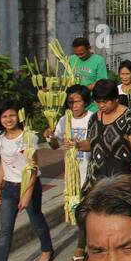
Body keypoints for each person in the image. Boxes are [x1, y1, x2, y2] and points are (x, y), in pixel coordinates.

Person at [69, 79, 131, 261]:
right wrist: (78, 145)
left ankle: (124, 246)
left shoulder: (129, 117)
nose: (102, 106)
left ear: (115, 99)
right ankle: (88, 246)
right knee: (89, 210)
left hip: (122, 174)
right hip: (97, 174)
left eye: (105, 102)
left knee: (120, 214)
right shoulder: (95, 118)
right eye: (98, 102)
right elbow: (92, 143)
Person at [0, 102, 55, 261]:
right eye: (4, 117)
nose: (8, 120)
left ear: (19, 116)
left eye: (12, 116)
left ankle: (47, 249)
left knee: (36, 219)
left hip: (28, 186)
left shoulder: (28, 137)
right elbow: (3, 163)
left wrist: (27, 194)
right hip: (9, 187)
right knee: (5, 230)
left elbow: (32, 168)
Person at [45, 84, 94, 238]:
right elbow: (55, 145)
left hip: (90, 171)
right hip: (72, 174)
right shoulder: (63, 120)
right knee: (77, 207)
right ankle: (85, 239)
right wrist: (49, 137)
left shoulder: (92, 118)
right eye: (70, 102)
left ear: (85, 101)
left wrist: (78, 145)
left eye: (78, 101)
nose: (74, 106)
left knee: (89, 207)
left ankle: (84, 243)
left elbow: (96, 143)